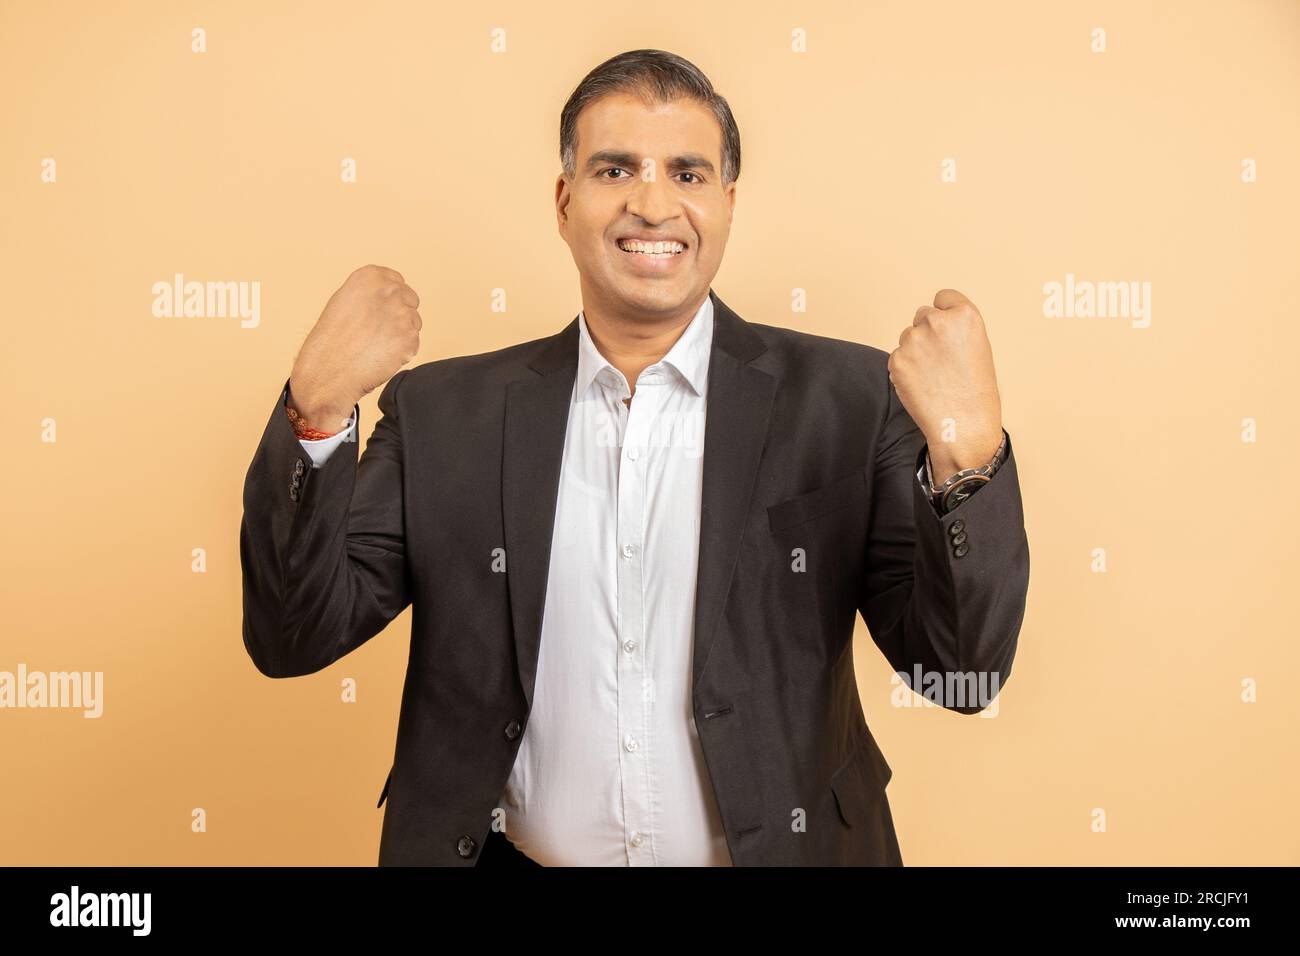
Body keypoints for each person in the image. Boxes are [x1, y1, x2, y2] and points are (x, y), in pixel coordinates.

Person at [240, 49, 1029, 866]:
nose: (652, 204)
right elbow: (293, 637)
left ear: (726, 204)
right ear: (565, 199)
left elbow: (958, 672)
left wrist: (967, 455)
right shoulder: (441, 413)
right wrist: (316, 410)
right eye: (616, 169)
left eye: (687, 175)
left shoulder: (854, 400)